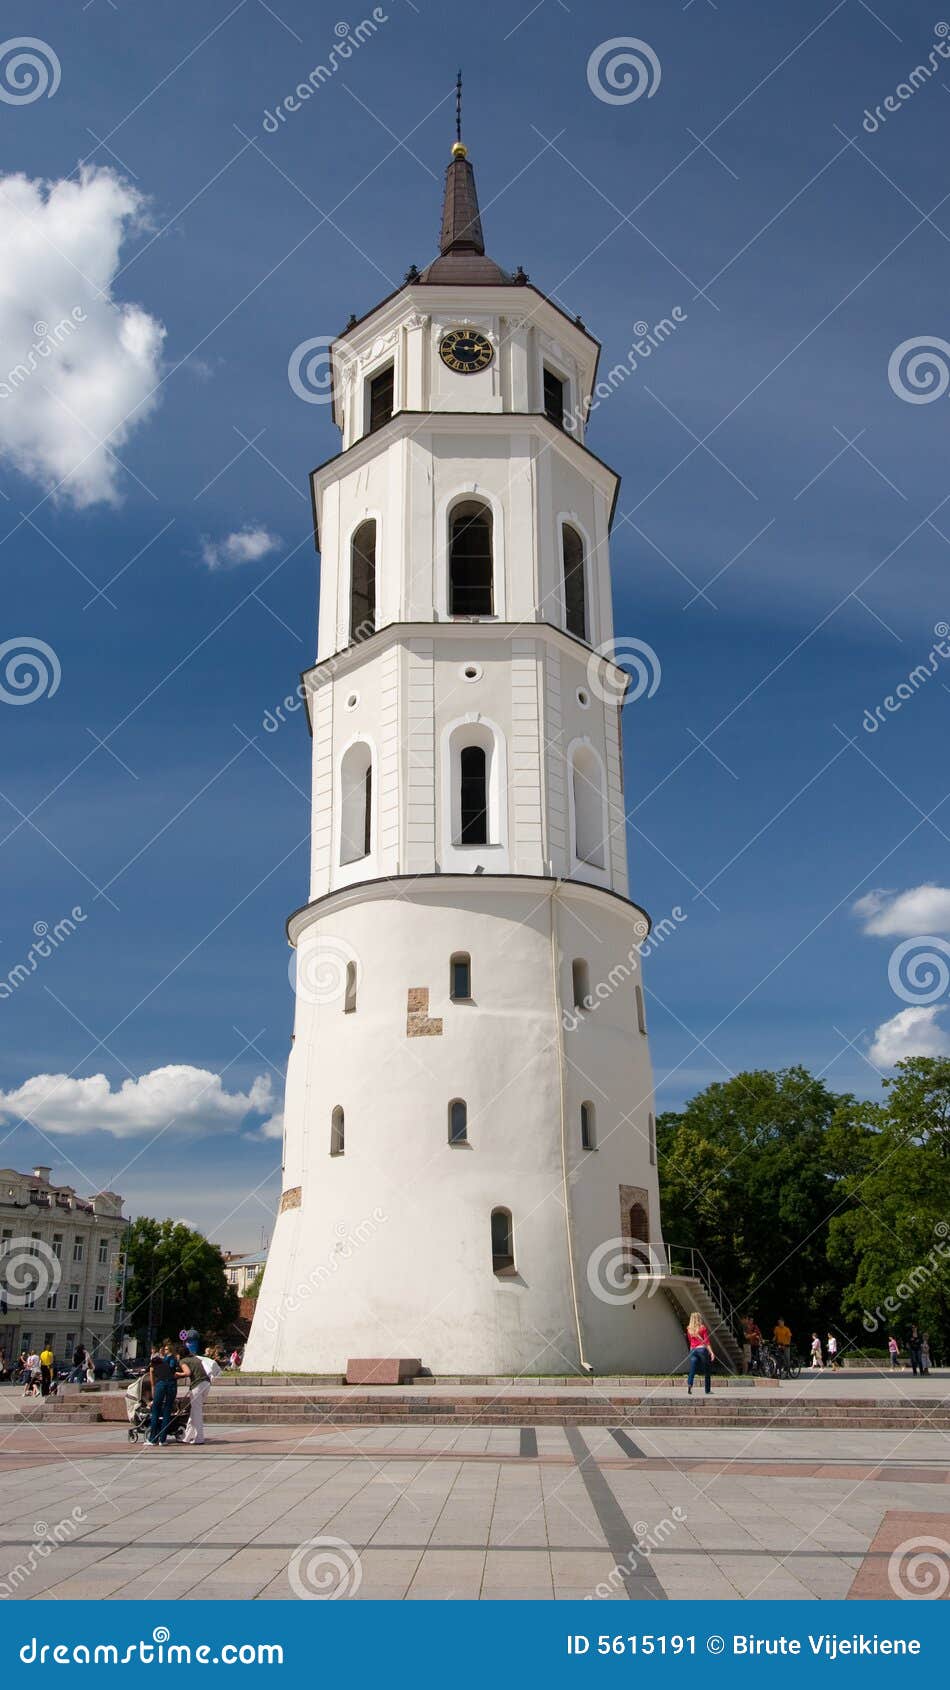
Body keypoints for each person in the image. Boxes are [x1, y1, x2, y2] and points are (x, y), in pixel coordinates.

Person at [176, 1344, 211, 1445]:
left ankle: (199, 1438)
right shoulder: (195, 1358)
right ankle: (187, 1437)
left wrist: (177, 1374)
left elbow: (187, 1373)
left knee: (197, 1412)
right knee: (194, 1411)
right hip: (206, 1383)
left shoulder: (183, 1361)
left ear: (179, 1354)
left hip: (197, 1385)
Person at [146, 1340, 178, 1447]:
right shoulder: (173, 1360)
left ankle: (152, 1439)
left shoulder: (158, 1361)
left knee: (155, 1409)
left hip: (161, 1384)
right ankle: (162, 1440)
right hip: (171, 1384)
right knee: (167, 1411)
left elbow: (151, 1371)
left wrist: (153, 1387)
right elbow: (174, 1371)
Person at [685, 1311, 714, 1396]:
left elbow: (690, 1341)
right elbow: (706, 1341)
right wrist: (711, 1352)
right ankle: (707, 1390)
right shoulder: (702, 1328)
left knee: (692, 1369)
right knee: (707, 1369)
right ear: (699, 1319)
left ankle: (690, 1384)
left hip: (693, 1350)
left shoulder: (689, 1329)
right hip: (701, 1350)